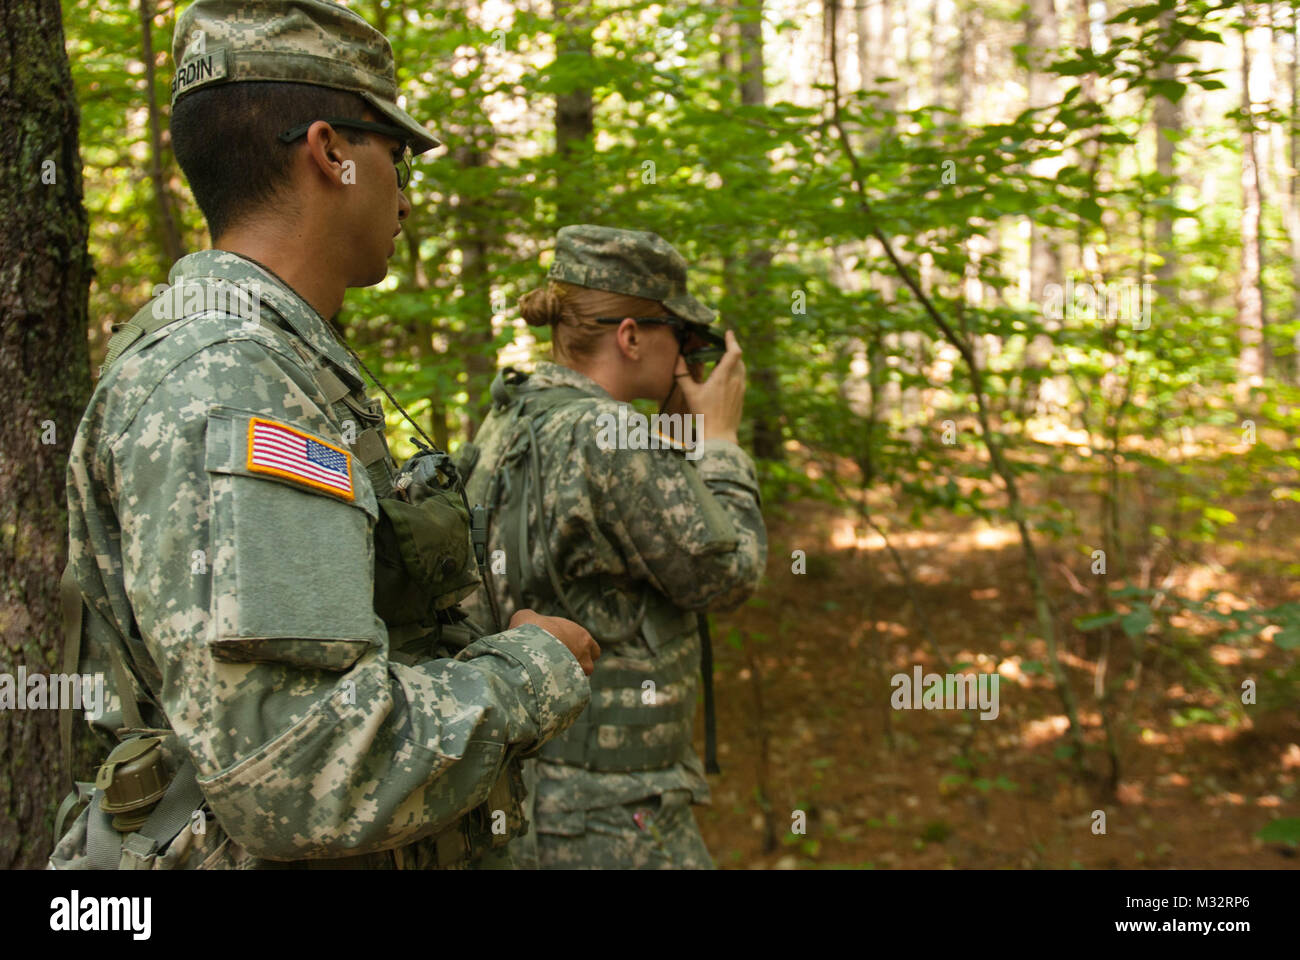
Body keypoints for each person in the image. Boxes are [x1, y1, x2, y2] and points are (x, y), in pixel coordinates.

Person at [51, 0, 598, 871]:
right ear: (332, 152)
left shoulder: (267, 356)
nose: (407, 192)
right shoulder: (229, 377)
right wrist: (534, 669)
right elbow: (305, 767)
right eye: (398, 153)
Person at [459, 225, 767, 868]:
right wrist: (722, 445)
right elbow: (727, 573)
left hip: (527, 792)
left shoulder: (512, 413)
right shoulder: (614, 435)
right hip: (615, 813)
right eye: (681, 339)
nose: (688, 361)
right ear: (630, 337)